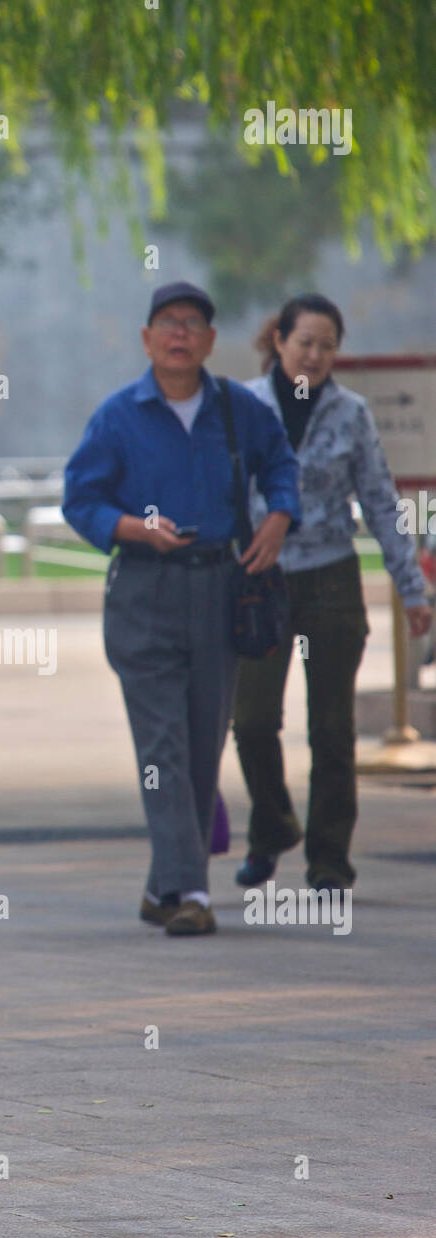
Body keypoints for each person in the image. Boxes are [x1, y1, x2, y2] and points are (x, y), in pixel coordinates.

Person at [63, 281, 301, 936]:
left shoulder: (238, 410)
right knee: (162, 745)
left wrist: (280, 515)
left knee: (200, 748)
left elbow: (281, 464)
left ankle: (160, 884)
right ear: (147, 338)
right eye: (167, 322)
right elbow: (80, 499)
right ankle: (191, 891)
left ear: (210, 341)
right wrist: (134, 528)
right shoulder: (118, 416)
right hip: (144, 591)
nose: (180, 333)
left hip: (221, 589)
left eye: (193, 322)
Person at [232, 293, 432, 891]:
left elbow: (379, 500)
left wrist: (411, 587)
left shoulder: (351, 413)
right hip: (260, 581)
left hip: (331, 578)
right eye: (305, 342)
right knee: (253, 719)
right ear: (278, 341)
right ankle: (272, 829)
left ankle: (329, 858)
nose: (316, 355)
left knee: (332, 728)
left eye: (328, 345)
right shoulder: (244, 407)